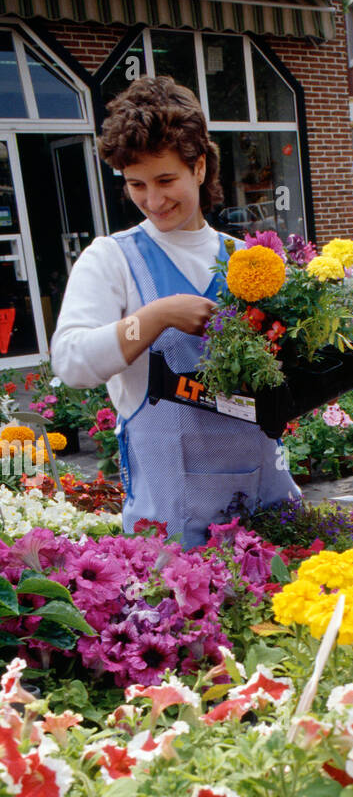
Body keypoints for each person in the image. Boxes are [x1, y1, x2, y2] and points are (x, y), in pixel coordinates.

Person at [52, 76, 299, 548]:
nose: (153, 200)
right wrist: (155, 315)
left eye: (166, 180)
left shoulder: (248, 259)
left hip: (267, 505)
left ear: (200, 167)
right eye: (136, 185)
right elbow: (71, 360)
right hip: (170, 524)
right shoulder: (112, 259)